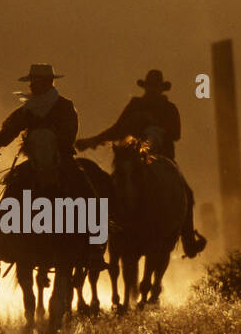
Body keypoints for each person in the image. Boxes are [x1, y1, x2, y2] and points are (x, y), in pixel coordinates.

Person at [76, 69, 206, 258]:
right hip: (133, 158)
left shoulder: (169, 109)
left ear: (161, 89)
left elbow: (176, 134)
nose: (152, 90)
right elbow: (118, 129)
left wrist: (154, 124)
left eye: (155, 87)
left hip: (163, 160)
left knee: (187, 194)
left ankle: (188, 242)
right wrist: (93, 141)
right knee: (110, 189)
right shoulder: (136, 105)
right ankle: (98, 238)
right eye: (150, 87)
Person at [0, 63, 98, 263]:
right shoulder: (27, 109)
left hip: (62, 160)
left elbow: (70, 133)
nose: (33, 86)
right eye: (32, 82)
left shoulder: (64, 106)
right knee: (11, 193)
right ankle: (5, 239)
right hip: (35, 161)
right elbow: (11, 129)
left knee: (87, 194)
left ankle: (94, 246)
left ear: (49, 82)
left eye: (37, 81)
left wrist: (53, 141)